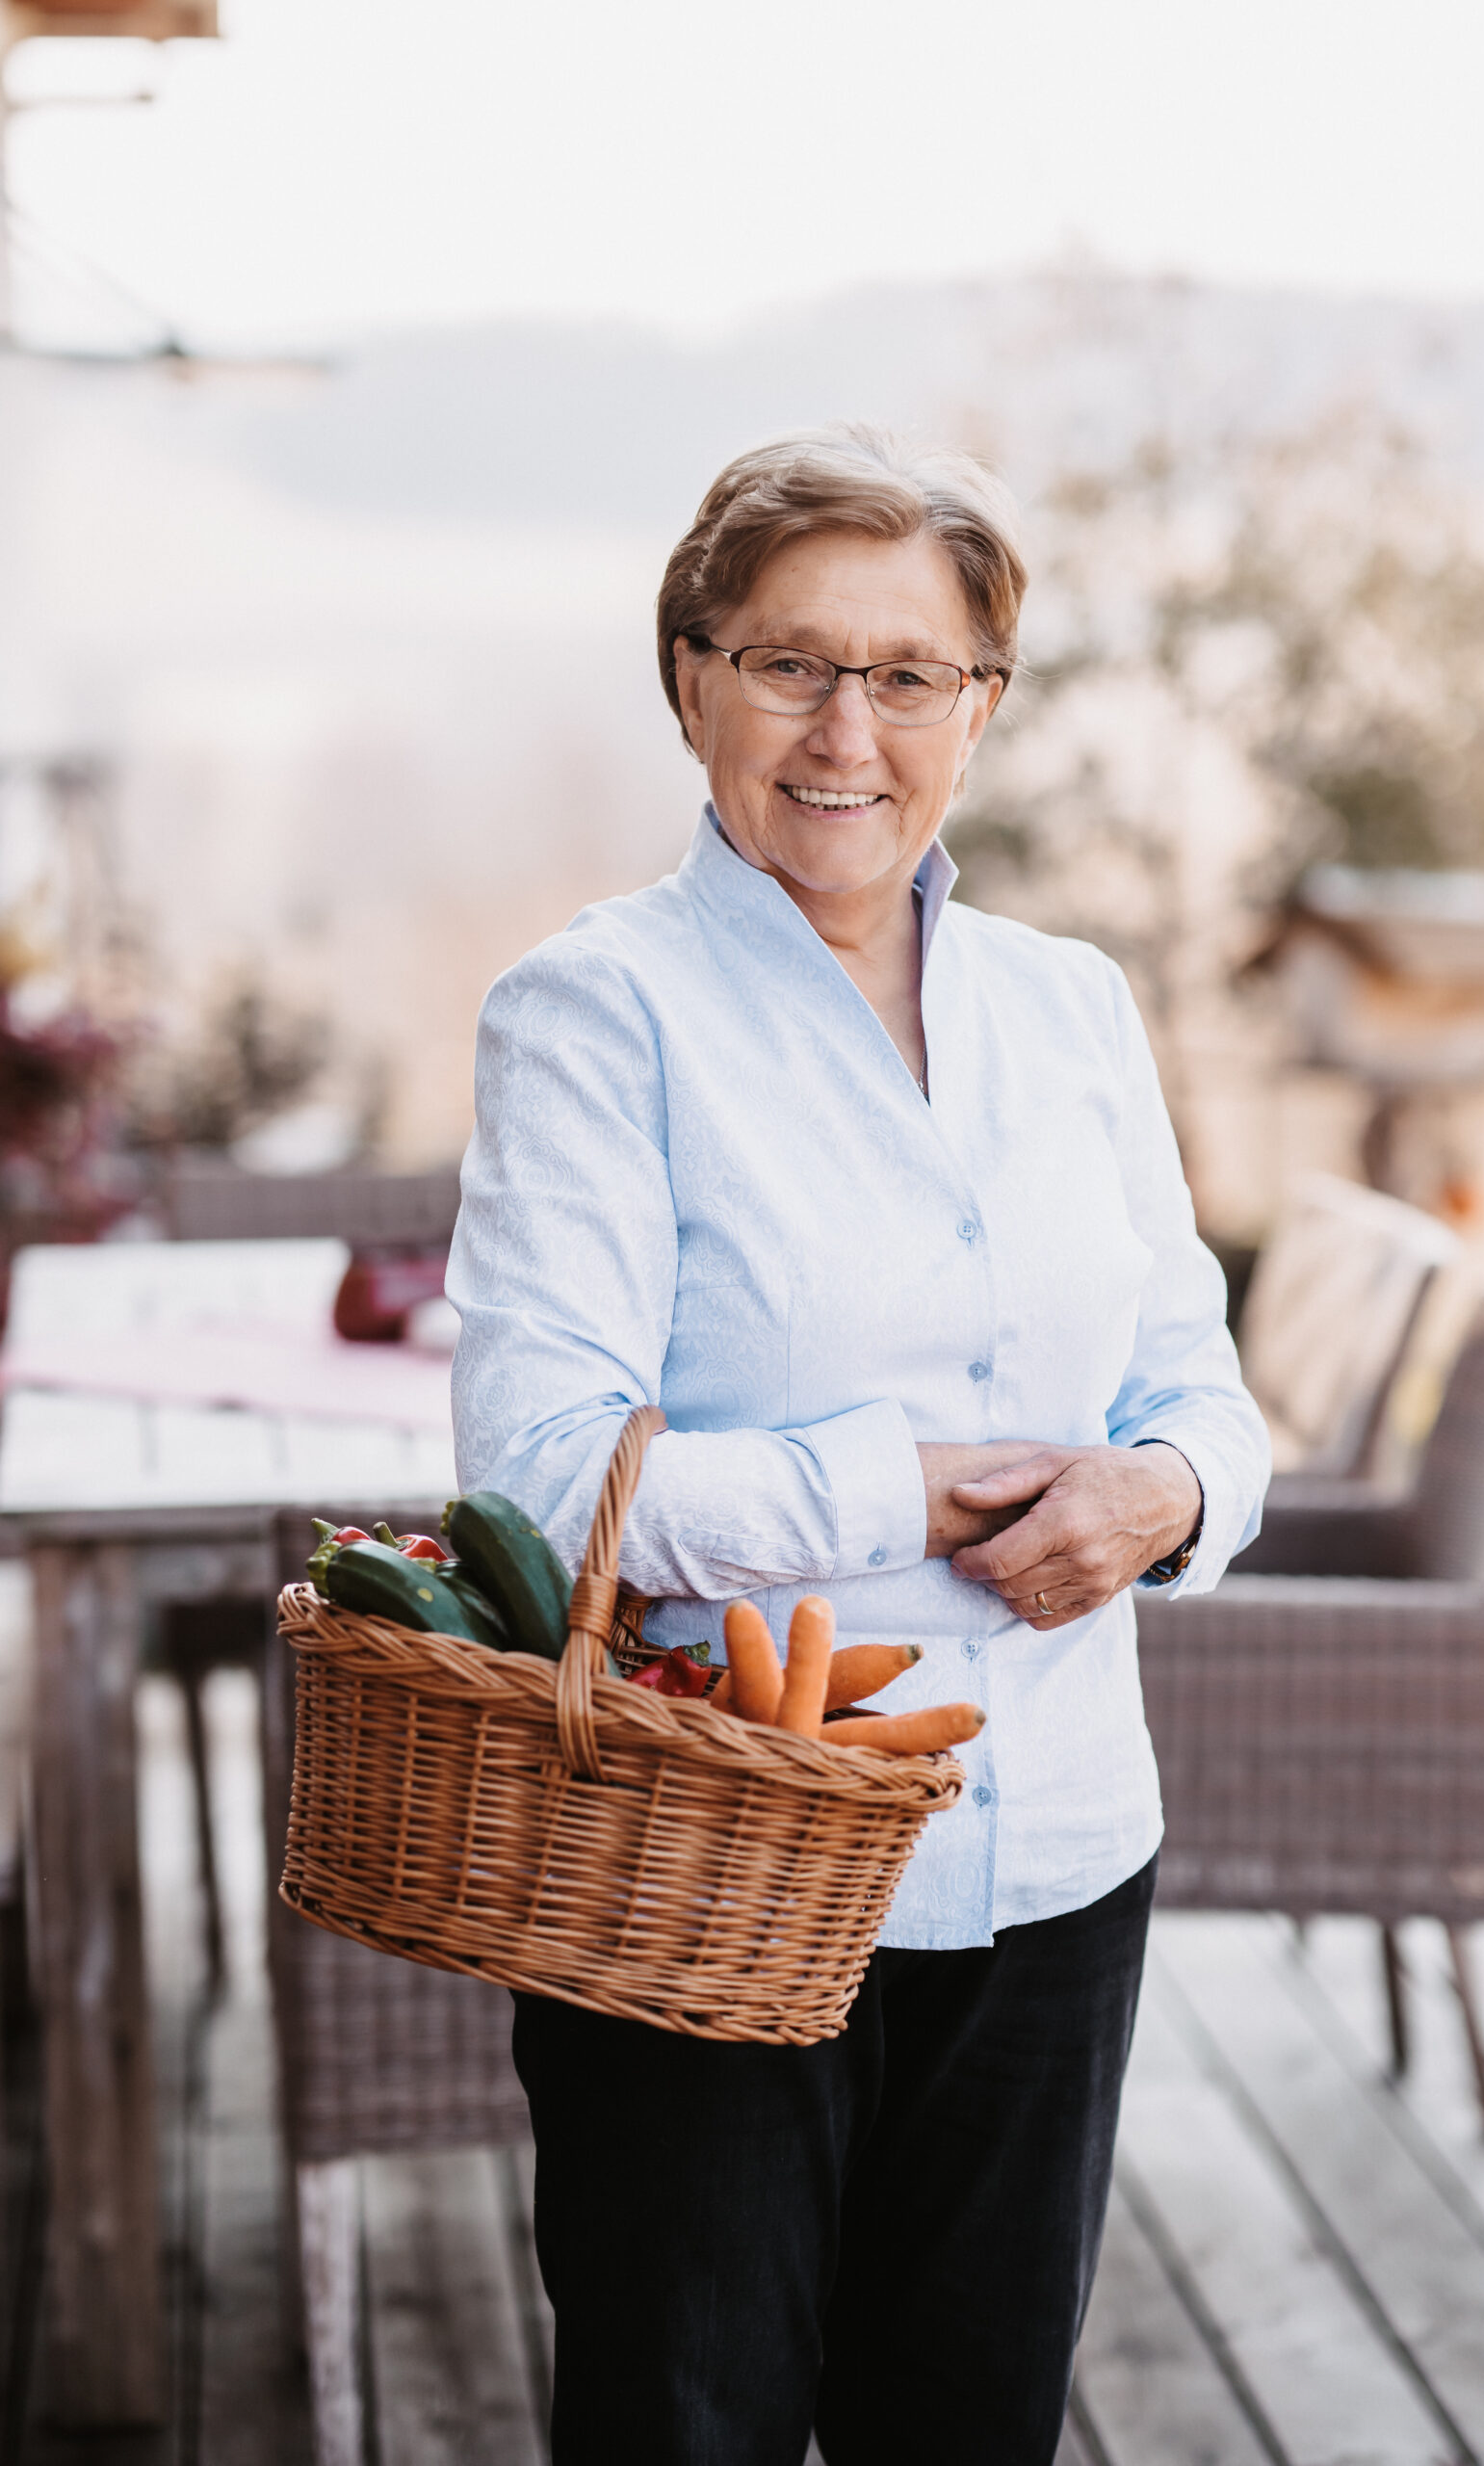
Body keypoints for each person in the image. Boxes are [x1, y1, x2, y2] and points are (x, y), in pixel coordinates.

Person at [448, 425, 1269, 2466]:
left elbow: (1199, 1378)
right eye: (790, 662)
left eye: (909, 674)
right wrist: (897, 1484)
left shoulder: (1071, 1007)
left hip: (1058, 1849)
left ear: (976, 710)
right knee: (683, 2424)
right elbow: (548, 1482)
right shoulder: (592, 1014)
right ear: (688, 677)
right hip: (706, 1867)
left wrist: (1158, 1499)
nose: (847, 729)